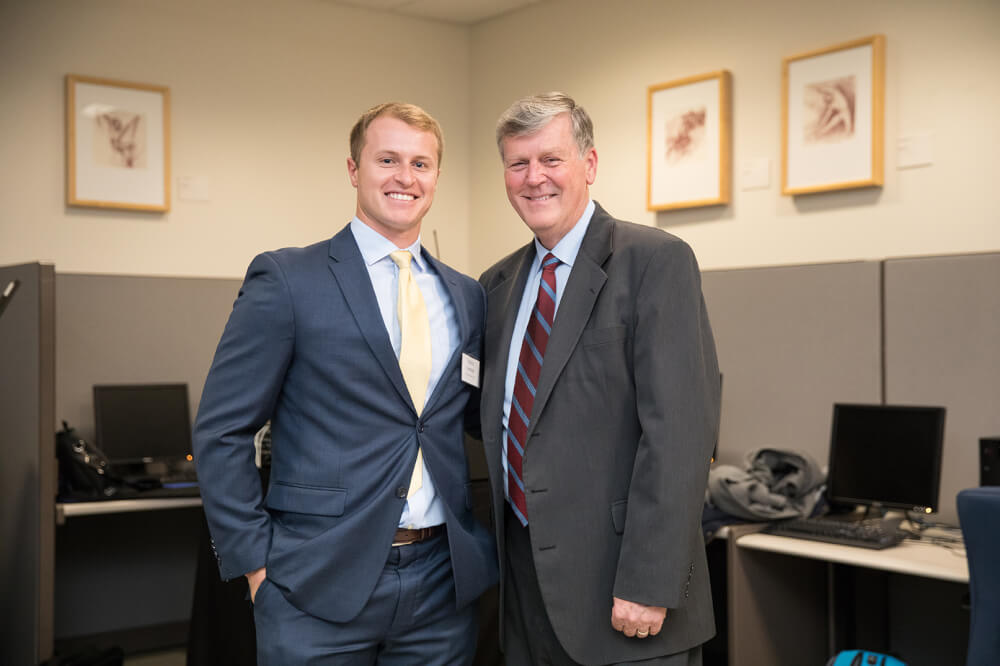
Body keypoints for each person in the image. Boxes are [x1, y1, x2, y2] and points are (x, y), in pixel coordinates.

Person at [192, 101, 496, 665]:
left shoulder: (467, 295)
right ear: (354, 169)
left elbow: (473, 420)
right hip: (314, 583)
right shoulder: (288, 279)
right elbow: (221, 430)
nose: (405, 177)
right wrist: (255, 566)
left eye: (421, 164)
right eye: (387, 160)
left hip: (441, 584)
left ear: (436, 177)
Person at [478, 92, 721, 665]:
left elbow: (680, 433)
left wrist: (649, 582)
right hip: (523, 590)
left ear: (588, 164)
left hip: (625, 591)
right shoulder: (496, 285)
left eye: (551, 159)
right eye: (518, 163)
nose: (534, 177)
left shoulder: (655, 261)